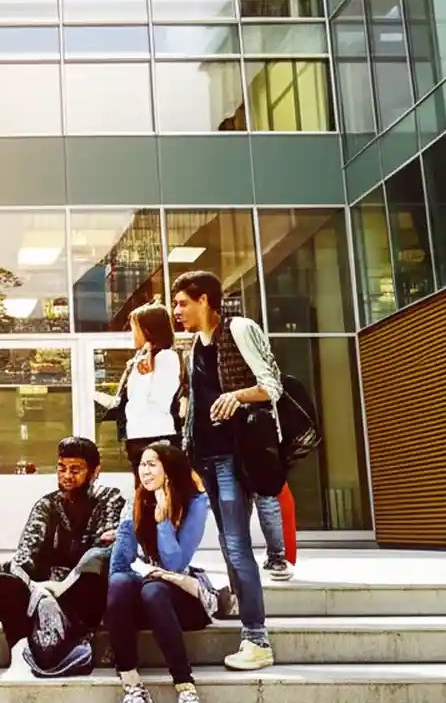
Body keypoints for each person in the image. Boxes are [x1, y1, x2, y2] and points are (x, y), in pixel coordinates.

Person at [172, 270, 281, 670]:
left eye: (183, 302)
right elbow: (196, 405)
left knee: (236, 545)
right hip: (208, 458)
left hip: (235, 456)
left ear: (205, 300)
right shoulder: (193, 346)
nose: (177, 310)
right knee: (227, 542)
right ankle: (244, 614)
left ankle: (257, 639)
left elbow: (272, 385)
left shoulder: (238, 329)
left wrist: (235, 395)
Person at [0, 437, 124, 673]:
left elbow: (102, 552)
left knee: (98, 564)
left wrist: (60, 586)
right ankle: (20, 655)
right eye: (61, 468)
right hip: (42, 592)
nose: (66, 476)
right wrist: (38, 590)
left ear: (95, 472)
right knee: (6, 581)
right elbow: (23, 557)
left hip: (83, 591)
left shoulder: (110, 500)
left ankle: (75, 642)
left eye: (75, 470)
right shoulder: (46, 505)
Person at [107, 441, 215, 703]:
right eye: (142, 465)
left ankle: (185, 685)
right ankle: (132, 684)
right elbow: (119, 563)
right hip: (141, 591)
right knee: (120, 582)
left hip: (178, 598)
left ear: (169, 469)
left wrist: (162, 520)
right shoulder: (135, 499)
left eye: (152, 464)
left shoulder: (195, 503)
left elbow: (175, 565)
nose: (145, 471)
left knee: (154, 591)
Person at [121, 303, 184, 473]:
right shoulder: (141, 360)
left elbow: (158, 399)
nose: (132, 334)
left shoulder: (166, 357)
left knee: (159, 489)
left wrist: (146, 375)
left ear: (148, 330)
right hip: (136, 434)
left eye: (135, 328)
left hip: (156, 434)